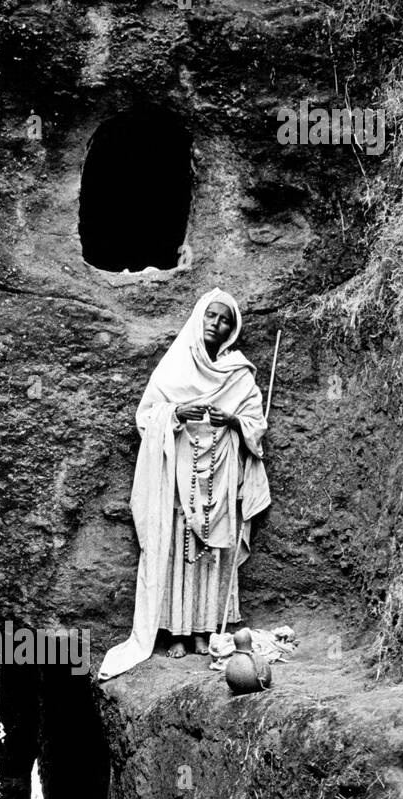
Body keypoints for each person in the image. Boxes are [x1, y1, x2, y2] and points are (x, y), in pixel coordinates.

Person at [98, 288, 271, 682]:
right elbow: (147, 417)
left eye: (225, 320)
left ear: (233, 329)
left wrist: (233, 420)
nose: (217, 324)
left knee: (212, 547)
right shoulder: (174, 365)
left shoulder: (238, 373)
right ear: (199, 318)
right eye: (211, 316)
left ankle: (204, 630)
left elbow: (256, 425)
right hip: (179, 471)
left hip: (223, 468)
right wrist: (175, 411)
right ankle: (174, 631)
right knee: (179, 545)